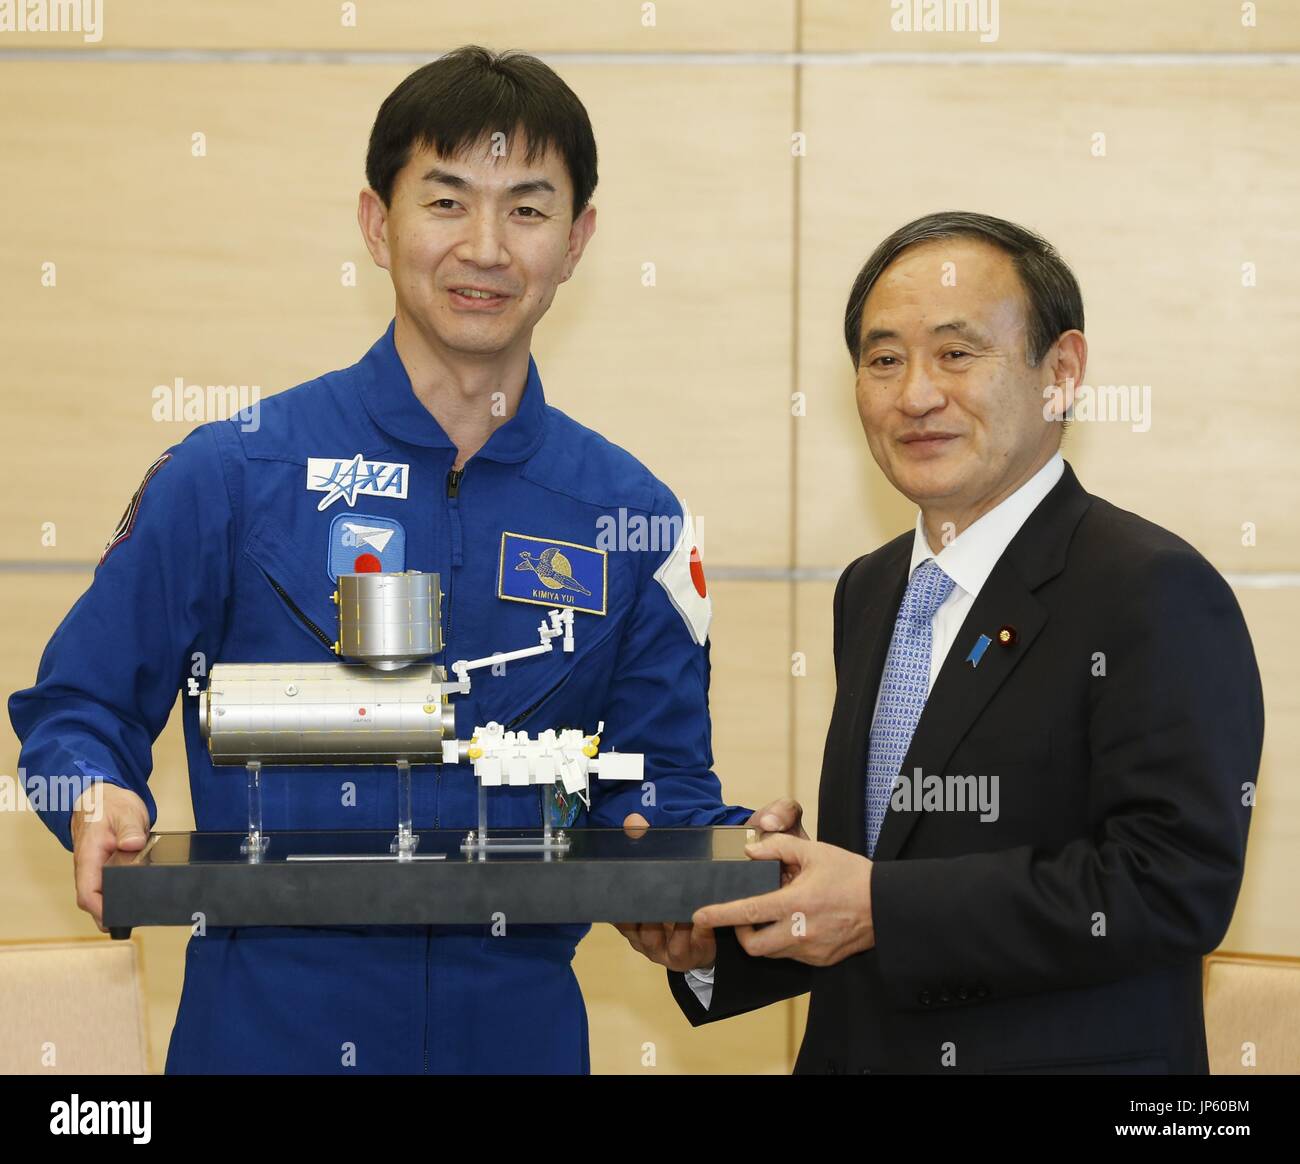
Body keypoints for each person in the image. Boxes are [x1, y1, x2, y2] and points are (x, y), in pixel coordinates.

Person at [9, 45, 758, 1075]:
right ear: (377, 222)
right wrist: (91, 795)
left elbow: (654, 786)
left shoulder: (634, 517)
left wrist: (724, 863)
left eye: (528, 209)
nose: (485, 247)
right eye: (446, 201)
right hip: (261, 1035)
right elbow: (74, 711)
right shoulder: (229, 473)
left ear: (579, 240)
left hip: (520, 1038)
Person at [625, 211, 1264, 1075]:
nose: (916, 394)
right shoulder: (873, 586)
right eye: (884, 359)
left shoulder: (1150, 588)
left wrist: (882, 903)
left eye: (957, 354)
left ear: (1061, 372)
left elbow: (1171, 885)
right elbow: (888, 877)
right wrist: (724, 939)